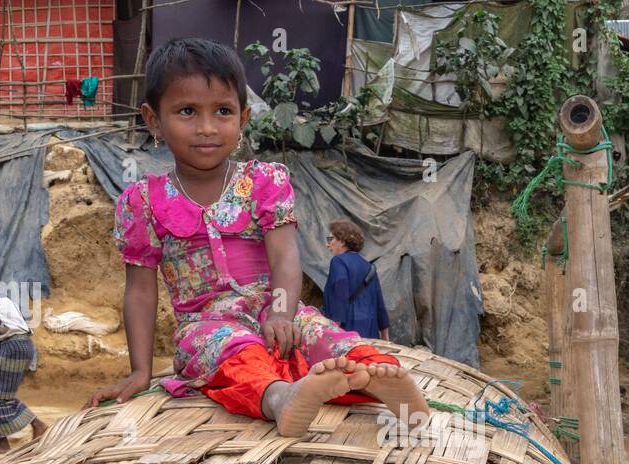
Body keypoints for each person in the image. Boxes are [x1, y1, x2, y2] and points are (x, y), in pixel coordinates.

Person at [87, 38, 429, 438]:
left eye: (223, 111)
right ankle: (282, 398)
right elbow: (141, 292)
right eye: (186, 111)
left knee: (326, 336)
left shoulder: (265, 181)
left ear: (244, 117)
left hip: (276, 308)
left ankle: (377, 376)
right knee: (234, 353)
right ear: (153, 120)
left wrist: (282, 313)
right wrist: (140, 371)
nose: (207, 127)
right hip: (207, 323)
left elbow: (285, 257)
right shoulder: (142, 201)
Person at [0, 267, 48, 453]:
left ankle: (24, 431)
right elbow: (9, 327)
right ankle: (27, 429)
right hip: (17, 346)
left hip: (14, 347)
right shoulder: (1, 299)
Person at [323, 219, 390, 340]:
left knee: (349, 359)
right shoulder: (369, 267)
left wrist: (333, 334)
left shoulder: (338, 261)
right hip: (371, 329)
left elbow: (340, 295)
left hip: (348, 329)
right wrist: (385, 338)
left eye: (330, 239)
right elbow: (380, 304)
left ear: (342, 241)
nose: (327, 244)